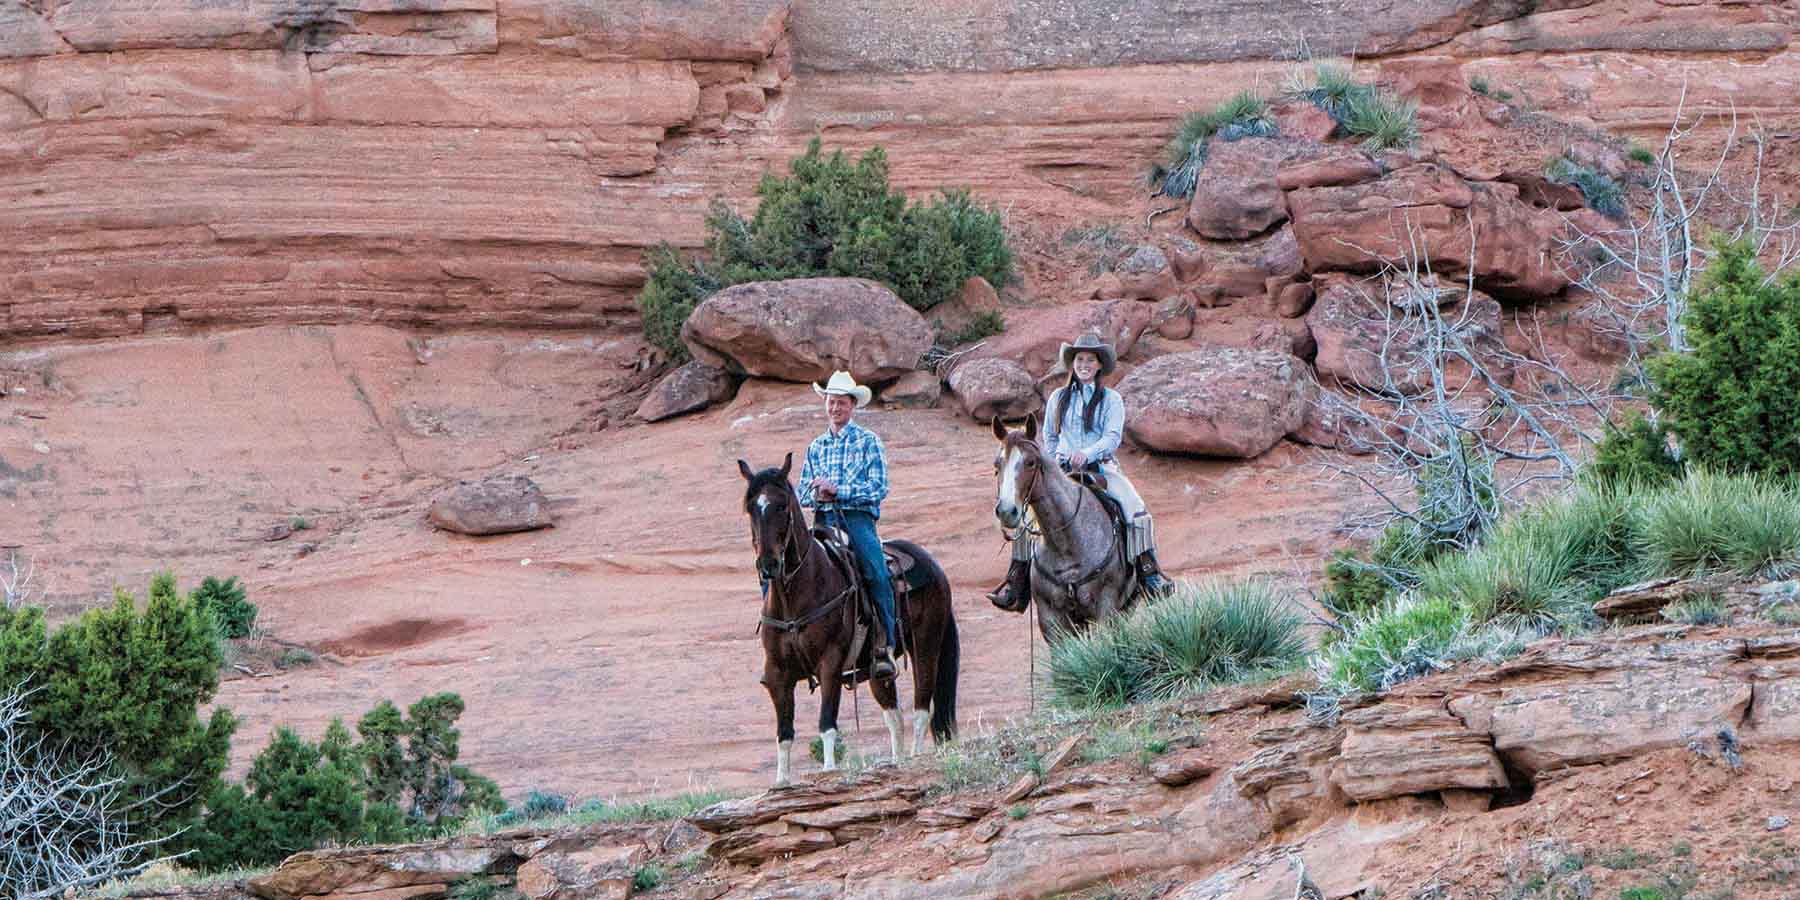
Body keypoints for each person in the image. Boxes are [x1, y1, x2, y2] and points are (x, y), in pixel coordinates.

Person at [988, 332, 1173, 609]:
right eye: (1079, 359)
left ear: (1099, 366)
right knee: (1028, 516)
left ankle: (1149, 574)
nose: (1084, 364)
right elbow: (1049, 437)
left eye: (1090, 360)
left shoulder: (1111, 399)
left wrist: (1086, 453)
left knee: (1136, 509)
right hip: (1060, 470)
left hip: (1102, 469)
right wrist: (1055, 457)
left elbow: (1112, 437)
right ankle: (1017, 581)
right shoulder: (1058, 399)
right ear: (1072, 364)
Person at [798, 371, 899, 680]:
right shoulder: (816, 447)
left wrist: (839, 491)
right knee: (787, 568)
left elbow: (879, 487)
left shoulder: (868, 441)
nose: (835, 408)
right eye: (831, 402)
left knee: (876, 571)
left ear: (852, 405)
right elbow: (802, 492)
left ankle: (885, 645)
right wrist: (816, 492)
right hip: (823, 519)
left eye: (841, 403)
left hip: (857, 520)